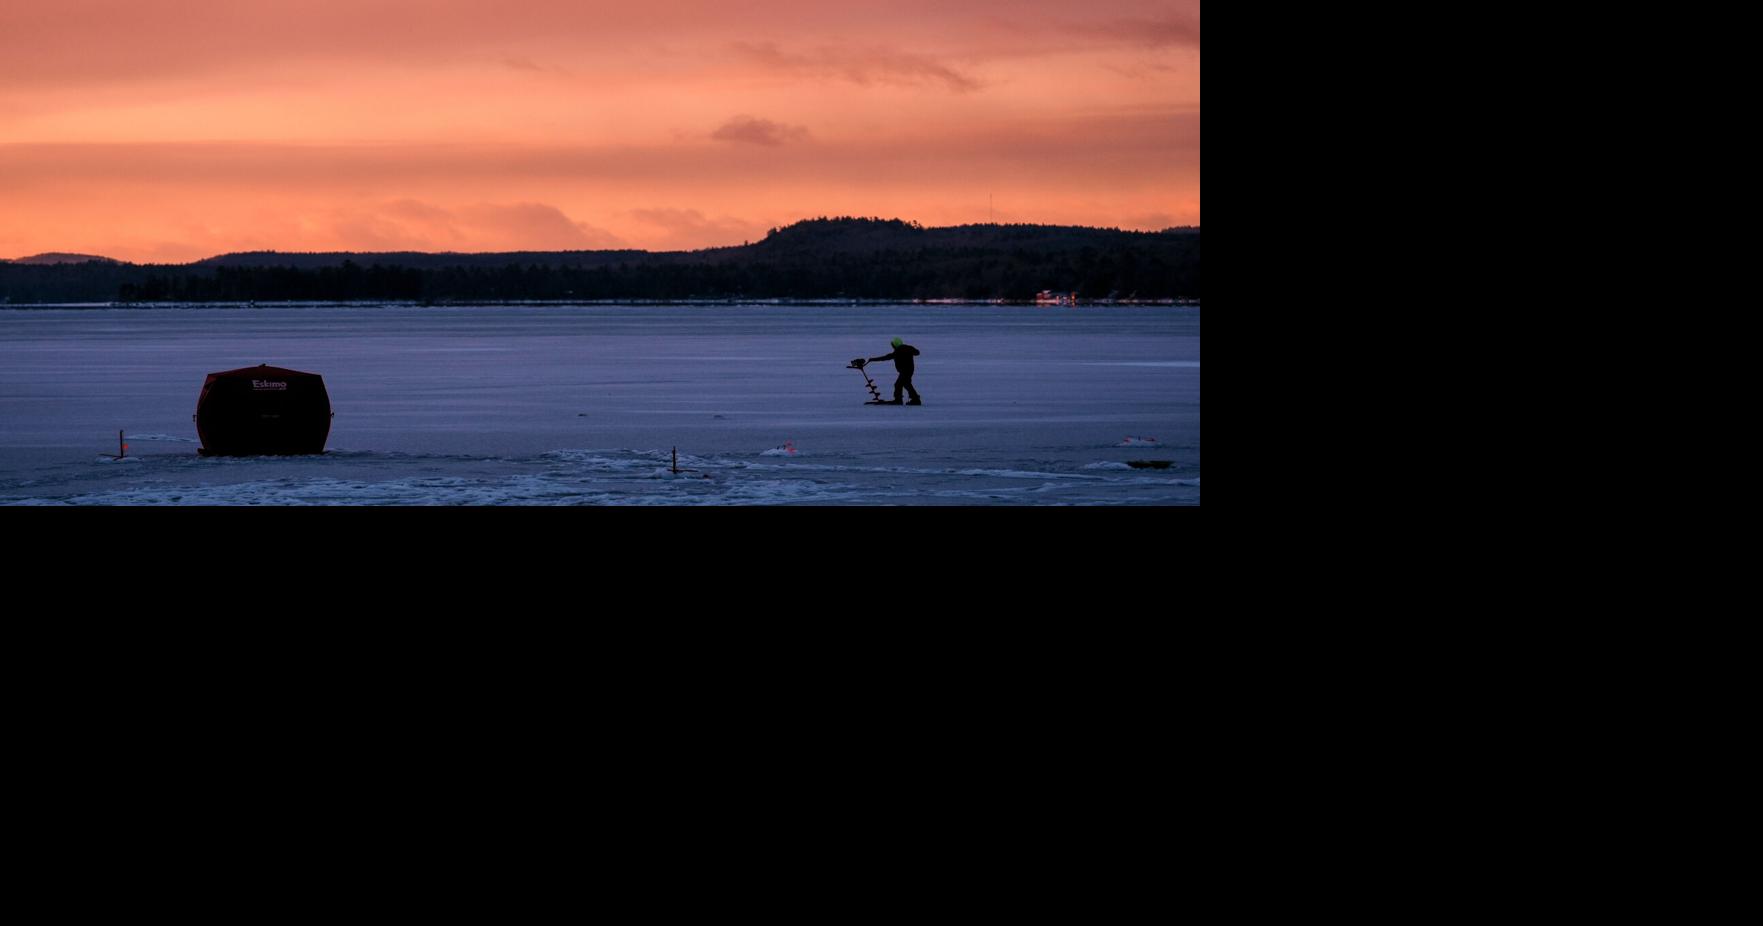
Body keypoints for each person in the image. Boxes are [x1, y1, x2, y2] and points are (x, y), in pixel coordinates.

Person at [868, 337, 922, 405]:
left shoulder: (897, 351)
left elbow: (885, 357)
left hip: (904, 371)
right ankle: (915, 399)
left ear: (894, 345)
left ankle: (899, 400)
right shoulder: (908, 348)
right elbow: (917, 352)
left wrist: (873, 359)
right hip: (909, 370)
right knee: (906, 384)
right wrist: (910, 350)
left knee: (898, 384)